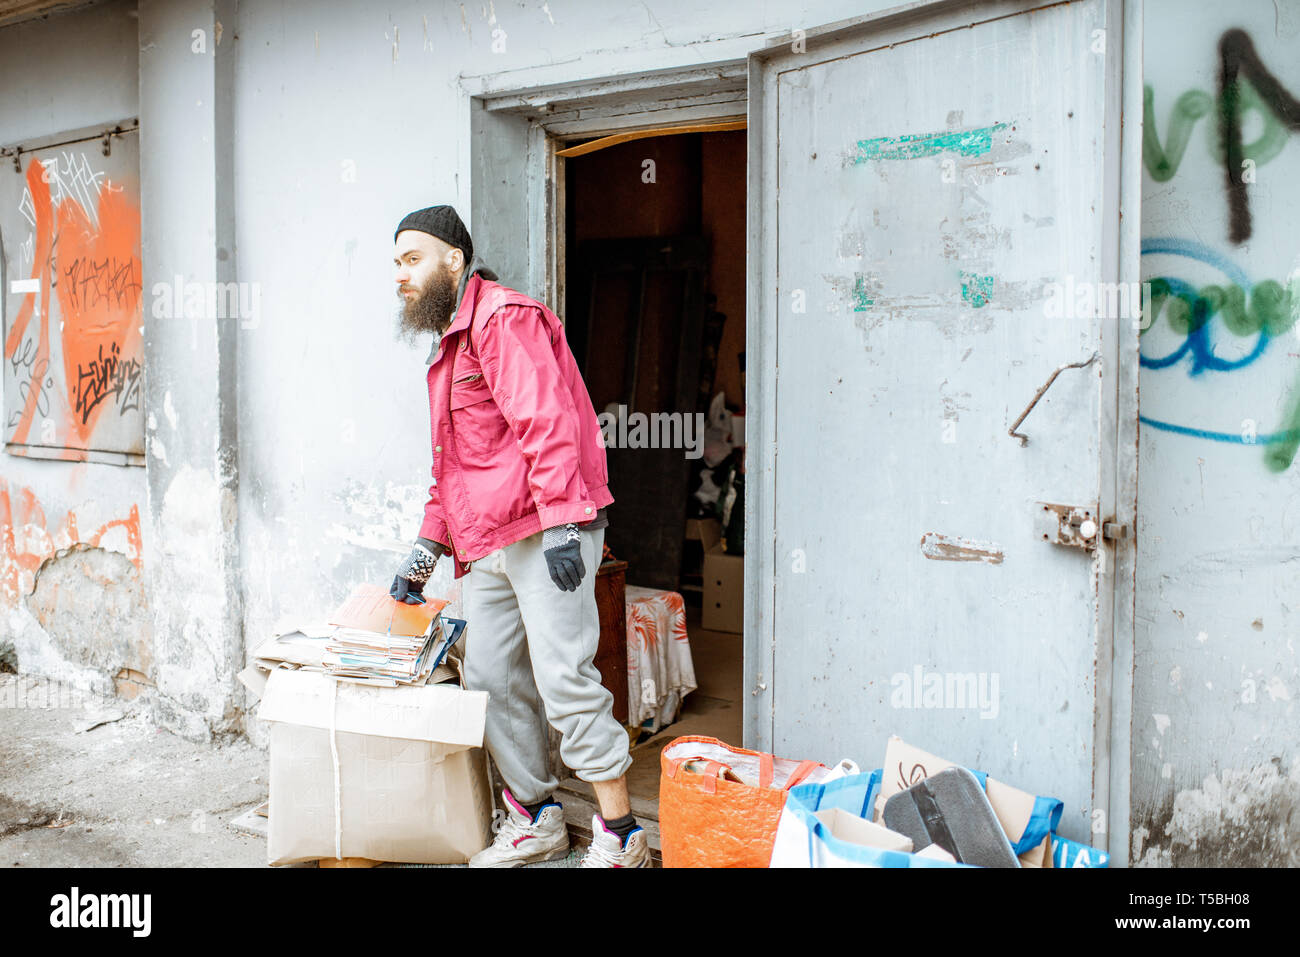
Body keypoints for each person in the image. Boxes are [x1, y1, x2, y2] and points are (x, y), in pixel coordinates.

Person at [389, 205, 650, 868]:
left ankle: (623, 834)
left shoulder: (503, 317)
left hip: (543, 530)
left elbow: (550, 422)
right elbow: (454, 464)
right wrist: (428, 546)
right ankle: (539, 816)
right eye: (395, 263)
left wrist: (564, 521)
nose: (400, 276)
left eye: (410, 259)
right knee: (490, 677)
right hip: (488, 542)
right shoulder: (448, 346)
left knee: (563, 677)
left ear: (453, 259)